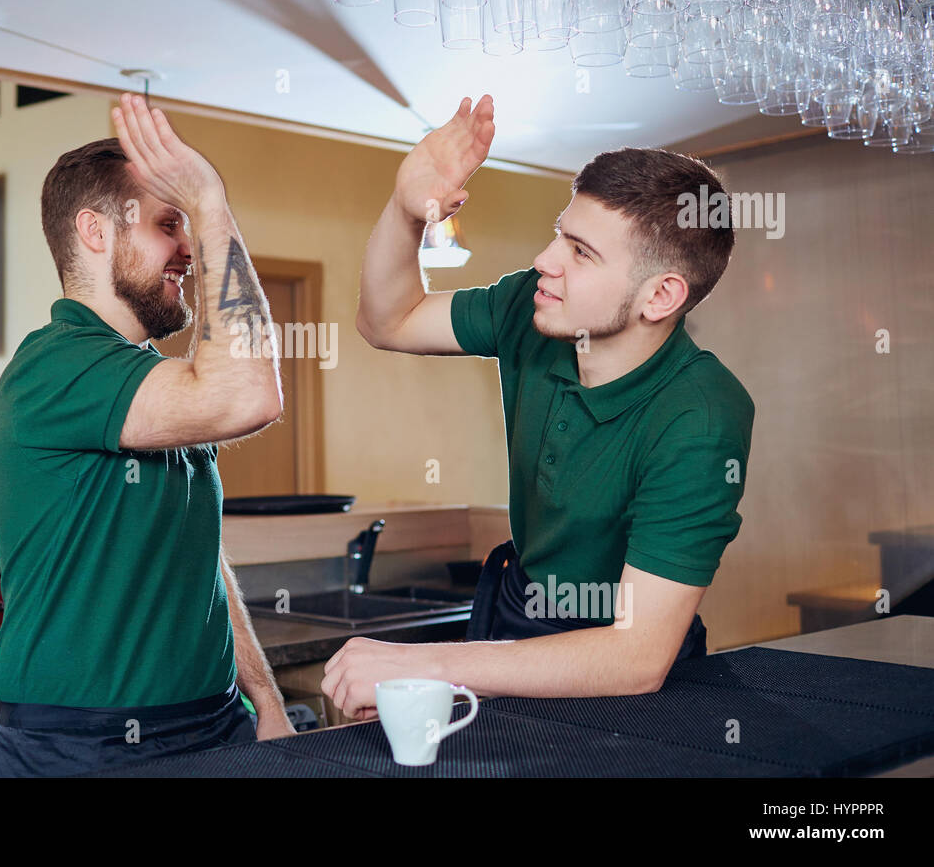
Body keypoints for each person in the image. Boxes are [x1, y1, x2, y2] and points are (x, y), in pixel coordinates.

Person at [322, 95, 755, 720]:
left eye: (582, 252)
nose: (544, 261)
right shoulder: (535, 307)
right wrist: (404, 209)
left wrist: (421, 664)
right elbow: (386, 321)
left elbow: (636, 657)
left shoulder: (701, 415)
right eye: (560, 234)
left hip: (616, 664)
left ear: (660, 296)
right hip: (514, 607)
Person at [0, 93, 294, 776]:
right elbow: (249, 393)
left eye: (185, 226)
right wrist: (209, 203)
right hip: (85, 746)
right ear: (96, 231)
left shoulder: (152, 379)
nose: (185, 249)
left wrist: (264, 699)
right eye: (166, 225)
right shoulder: (54, 366)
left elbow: (195, 554)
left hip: (214, 722)